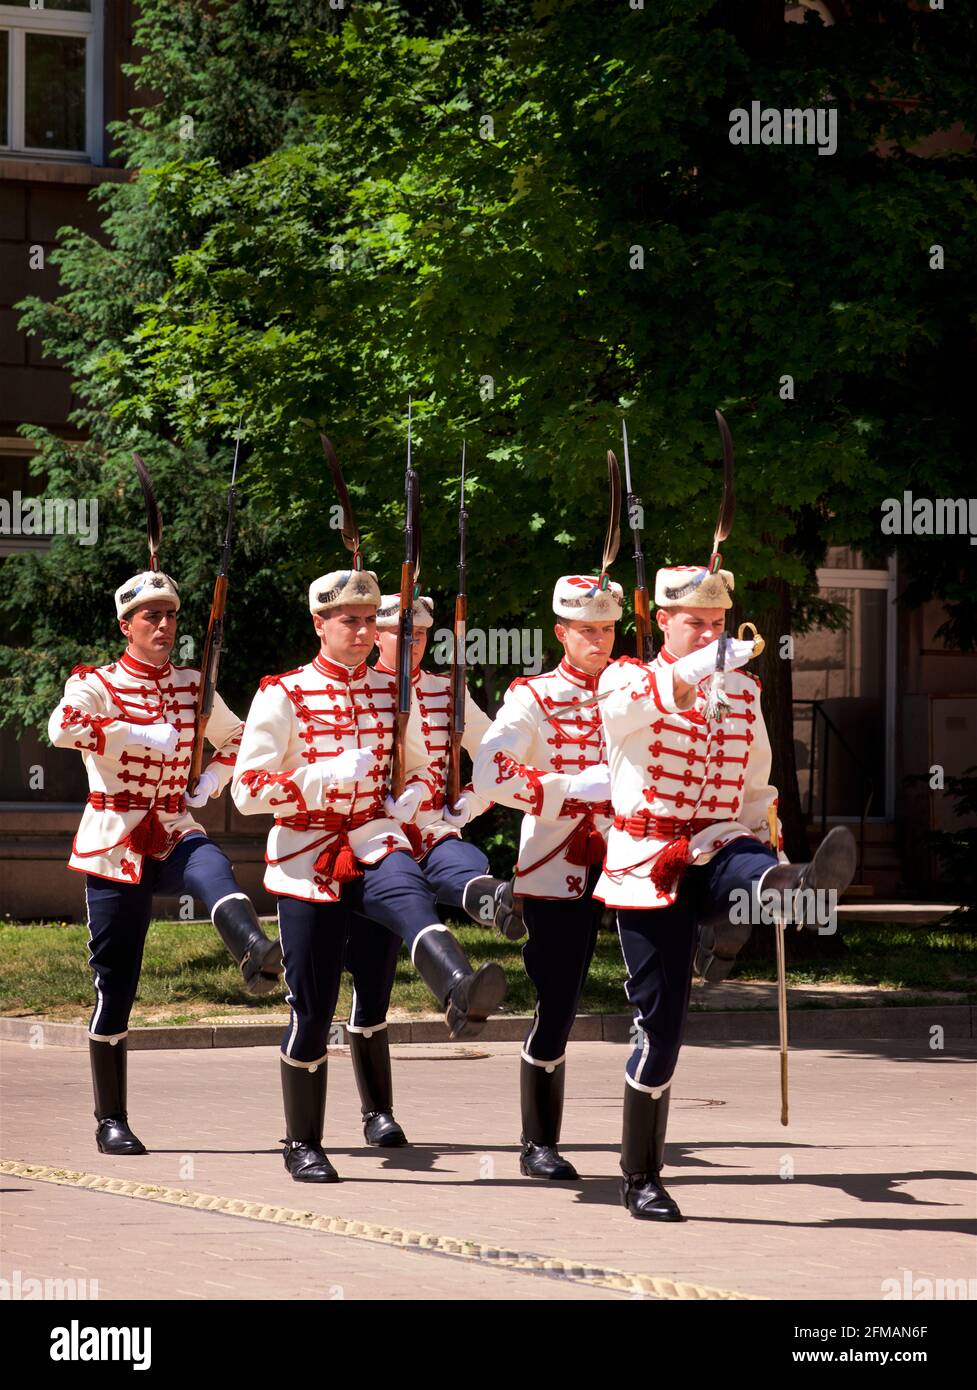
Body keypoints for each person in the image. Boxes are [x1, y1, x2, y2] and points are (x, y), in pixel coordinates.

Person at [595, 562, 856, 1220]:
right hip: (647, 860)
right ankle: (641, 1177)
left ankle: (791, 886)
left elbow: (754, 778)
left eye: (718, 624)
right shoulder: (625, 677)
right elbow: (637, 704)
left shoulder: (742, 691)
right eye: (696, 624)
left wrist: (770, 839)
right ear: (660, 621)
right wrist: (695, 669)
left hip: (714, 840)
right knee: (661, 1031)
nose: (711, 635)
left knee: (746, 858)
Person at [231, 569, 505, 1183]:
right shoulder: (284, 693)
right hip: (308, 856)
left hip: (376, 838)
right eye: (348, 621)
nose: (360, 631)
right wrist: (320, 776)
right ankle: (302, 1142)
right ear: (320, 625)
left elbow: (421, 769)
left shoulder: (392, 692)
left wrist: (411, 795)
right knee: (314, 1003)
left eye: (366, 620)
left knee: (407, 891)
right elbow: (248, 789)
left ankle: (459, 987)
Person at [47, 568, 282, 1156]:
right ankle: (111, 1119)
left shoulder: (193, 685)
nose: (163, 625)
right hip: (114, 837)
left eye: (171, 614)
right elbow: (62, 727)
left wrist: (215, 777)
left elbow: (241, 739)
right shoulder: (96, 682)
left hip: (173, 823)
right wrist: (134, 733)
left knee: (211, 864)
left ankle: (253, 949)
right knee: (116, 985)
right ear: (125, 625)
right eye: (150, 616)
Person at [345, 593, 522, 1147]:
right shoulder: (354, 688)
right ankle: (378, 1113)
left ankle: (497, 903)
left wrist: (473, 798)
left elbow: (498, 754)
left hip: (433, 827)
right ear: (378, 636)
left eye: (421, 635)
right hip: (373, 842)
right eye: (403, 634)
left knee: (462, 863)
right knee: (371, 988)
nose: (414, 643)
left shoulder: (450, 694)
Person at [472, 575, 621, 1182]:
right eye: (587, 630)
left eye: (608, 629)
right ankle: (539, 1143)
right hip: (559, 862)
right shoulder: (533, 696)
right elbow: (489, 770)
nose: (599, 640)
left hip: (633, 856)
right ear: (561, 633)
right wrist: (565, 789)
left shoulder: (637, 688)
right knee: (560, 999)